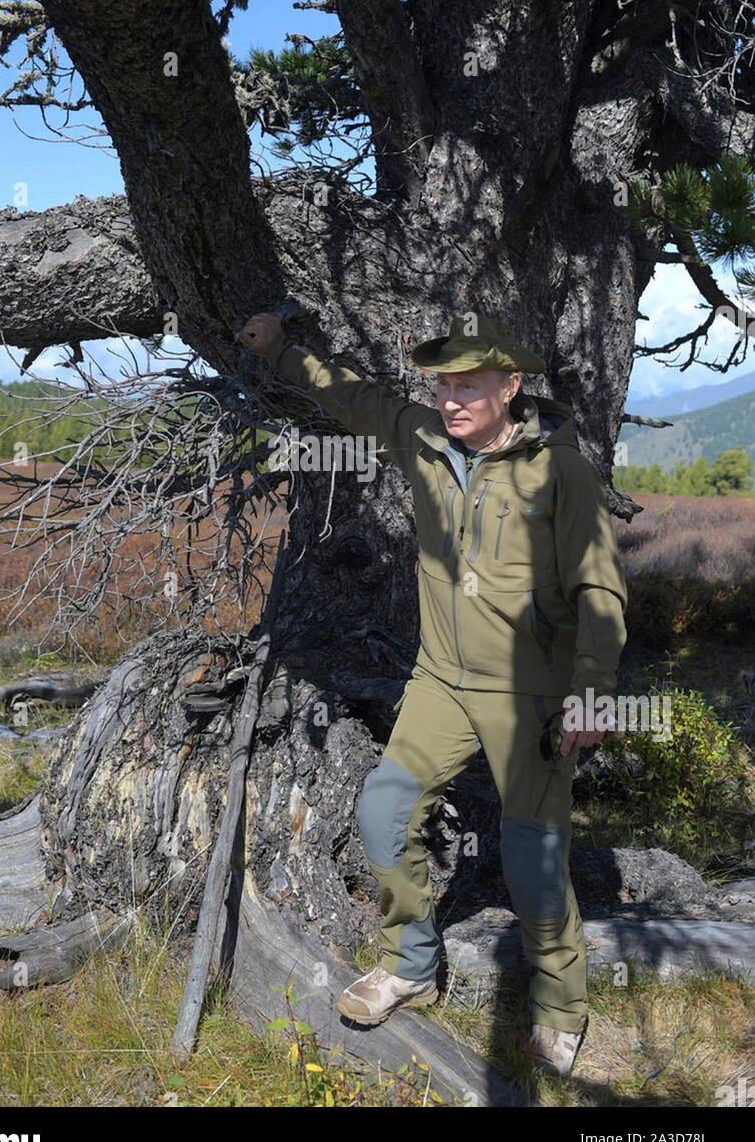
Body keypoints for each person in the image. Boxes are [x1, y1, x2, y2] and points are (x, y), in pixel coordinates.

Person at [235, 309, 628, 1078]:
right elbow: (355, 400)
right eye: (445, 386)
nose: (452, 400)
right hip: (440, 680)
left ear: (510, 387)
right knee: (383, 812)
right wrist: (280, 350)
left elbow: (600, 590)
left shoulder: (560, 470)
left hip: (532, 692)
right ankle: (411, 962)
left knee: (533, 855)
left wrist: (592, 690)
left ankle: (562, 1003)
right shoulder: (423, 439)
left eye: (470, 387)